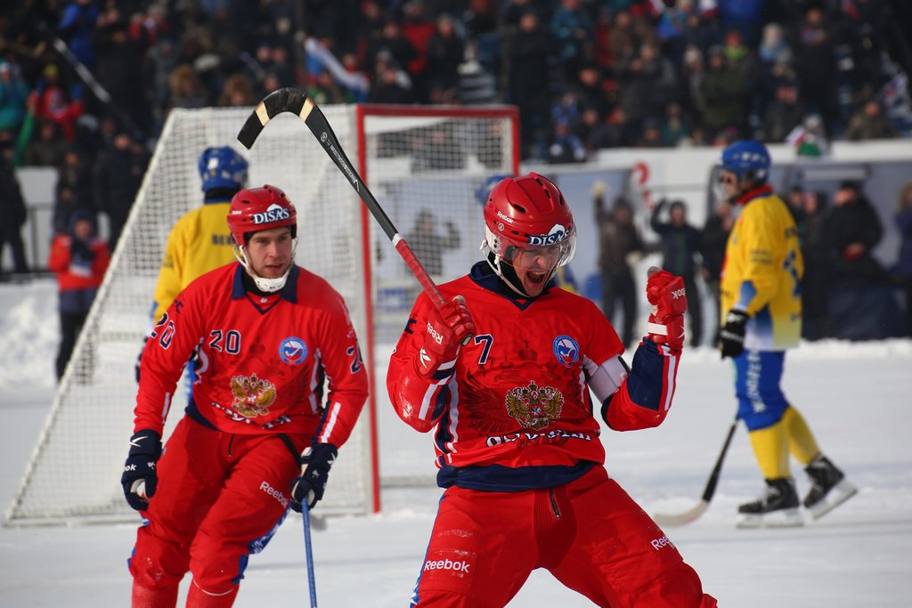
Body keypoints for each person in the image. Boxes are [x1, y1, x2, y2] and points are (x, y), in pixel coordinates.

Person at [387, 173, 716, 607]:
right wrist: (437, 348)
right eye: (530, 251)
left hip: (580, 494)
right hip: (485, 500)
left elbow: (633, 411)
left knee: (673, 597)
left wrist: (664, 331)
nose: (544, 265)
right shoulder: (445, 306)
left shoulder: (578, 314)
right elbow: (414, 411)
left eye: (553, 250)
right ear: (498, 244)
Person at [122, 185, 368, 607]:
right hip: (207, 428)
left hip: (279, 439)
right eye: (263, 242)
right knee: (157, 549)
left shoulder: (322, 303)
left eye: (284, 239)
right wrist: (144, 442)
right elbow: (159, 367)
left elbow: (350, 384)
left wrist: (322, 454)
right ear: (241, 245)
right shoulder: (204, 294)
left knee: (217, 548)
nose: (275, 252)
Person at [716, 140, 856, 528]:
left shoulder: (760, 212)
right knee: (769, 397)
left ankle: (780, 490)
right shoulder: (765, 208)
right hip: (771, 320)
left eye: (729, 175)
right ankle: (824, 474)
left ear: (748, 177)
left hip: (761, 323)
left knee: (756, 399)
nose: (724, 182)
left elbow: (760, 276)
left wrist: (738, 317)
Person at [151, 146, 249, 321]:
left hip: (193, 326)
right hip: (241, 327)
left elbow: (168, 286)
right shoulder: (251, 221)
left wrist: (158, 327)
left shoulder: (186, 224)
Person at [48, 210, 110, 380]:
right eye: (80, 226)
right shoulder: (63, 243)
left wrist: (92, 256)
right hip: (69, 302)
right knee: (67, 341)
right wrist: (71, 252)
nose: (83, 229)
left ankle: (85, 376)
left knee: (87, 342)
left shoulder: (98, 245)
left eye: (86, 225)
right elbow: (55, 265)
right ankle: (62, 377)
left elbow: (104, 269)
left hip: (89, 301)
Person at [593, 181, 644, 349]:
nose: (623, 214)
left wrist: (637, 255)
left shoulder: (632, 228)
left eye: (625, 211)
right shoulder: (606, 223)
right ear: (615, 212)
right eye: (620, 211)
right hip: (609, 272)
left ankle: (627, 344)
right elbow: (599, 212)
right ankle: (606, 344)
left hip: (626, 272)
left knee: (631, 309)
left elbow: (640, 247)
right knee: (609, 310)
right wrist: (598, 197)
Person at [650, 198, 703, 346]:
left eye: (681, 212)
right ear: (671, 215)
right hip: (669, 279)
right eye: (675, 212)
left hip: (688, 277)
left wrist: (705, 265)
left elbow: (704, 247)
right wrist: (659, 206)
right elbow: (653, 223)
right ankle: (664, 338)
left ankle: (696, 340)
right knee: (666, 311)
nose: (678, 215)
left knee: (695, 308)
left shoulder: (692, 232)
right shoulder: (666, 230)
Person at [0, 132, 28, 279]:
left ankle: (21, 272)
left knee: (14, 245)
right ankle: (21, 273)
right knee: (16, 245)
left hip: (8, 214)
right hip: (7, 215)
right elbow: (12, 193)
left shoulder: (8, 168)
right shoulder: (5, 170)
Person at [406, 208, 461, 277]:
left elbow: (454, 244)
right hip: (417, 280)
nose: (430, 226)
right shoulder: (413, 240)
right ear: (420, 224)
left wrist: (451, 228)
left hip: (435, 279)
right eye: (427, 223)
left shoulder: (435, 241)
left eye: (431, 223)